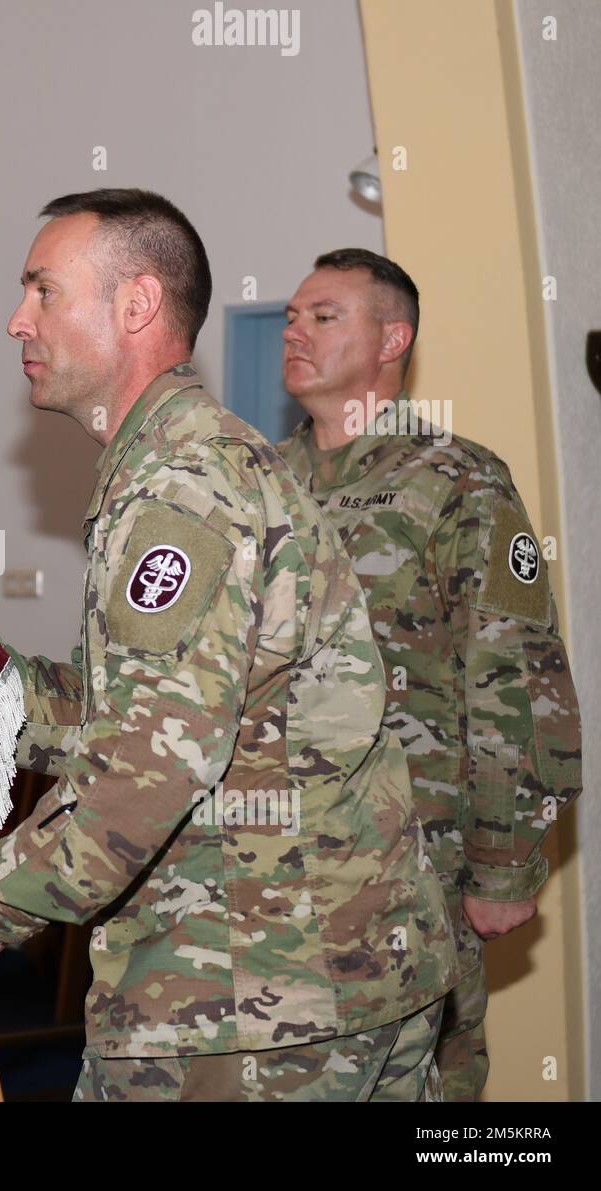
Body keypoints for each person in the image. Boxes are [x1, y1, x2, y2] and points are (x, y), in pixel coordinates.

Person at [0, 189, 457, 1101]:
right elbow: (141, 707)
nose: (17, 321)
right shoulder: (203, 460)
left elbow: (147, 768)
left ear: (136, 307)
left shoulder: (178, 487)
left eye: (43, 291)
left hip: (250, 996)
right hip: (338, 971)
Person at [275, 248, 583, 1100]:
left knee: (427, 1087)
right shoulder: (261, 485)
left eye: (325, 315)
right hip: (274, 857)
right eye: (294, 316)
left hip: (419, 857)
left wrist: (503, 863)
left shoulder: (456, 480)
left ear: (392, 338)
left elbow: (516, 679)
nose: (295, 330)